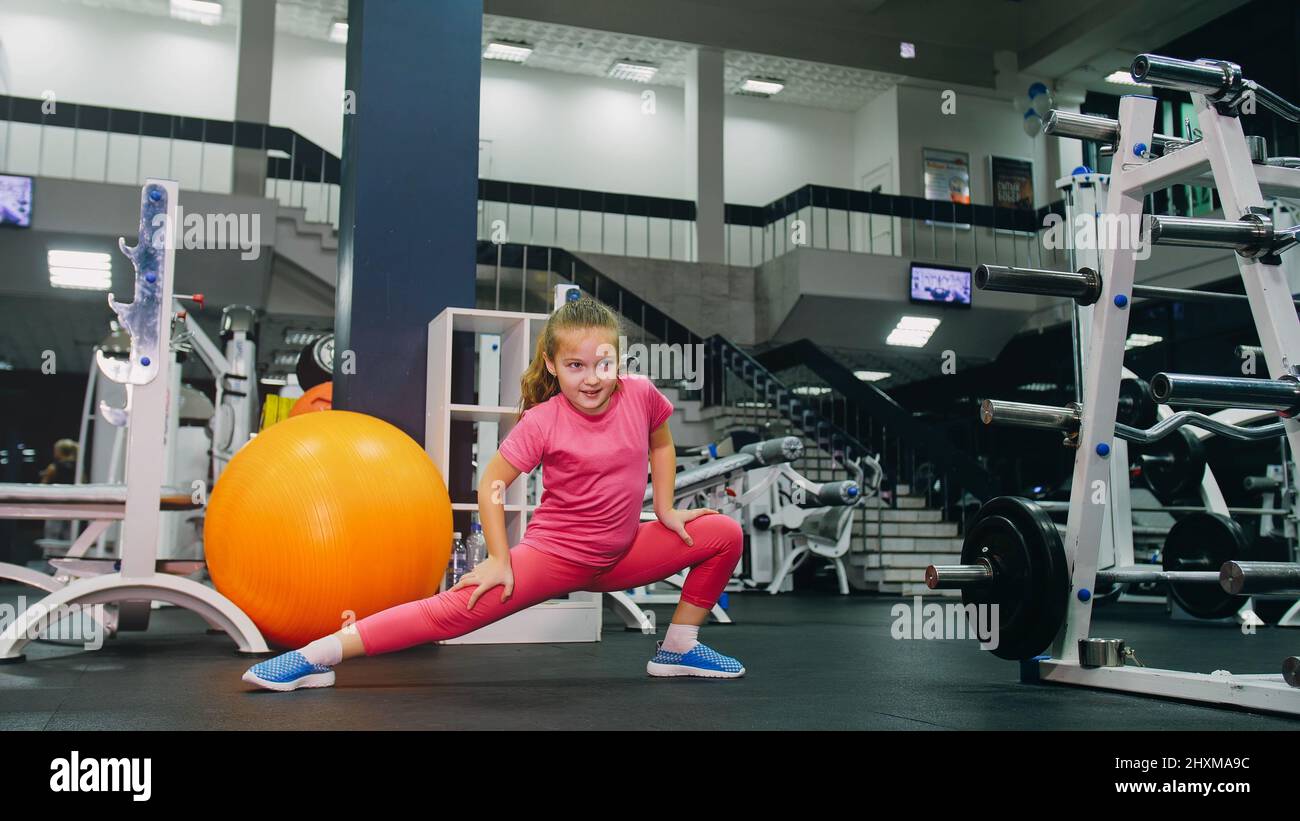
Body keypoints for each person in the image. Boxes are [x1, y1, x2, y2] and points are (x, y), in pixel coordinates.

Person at [243, 296, 746, 691]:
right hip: (556, 556)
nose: (591, 379)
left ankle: (678, 649)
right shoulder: (543, 421)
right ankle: (313, 656)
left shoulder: (639, 393)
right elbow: (493, 482)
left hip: (623, 552)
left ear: (620, 361)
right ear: (551, 364)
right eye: (575, 366)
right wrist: (502, 558)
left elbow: (660, 443)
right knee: (448, 615)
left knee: (723, 533)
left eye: (603, 364)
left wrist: (663, 509)